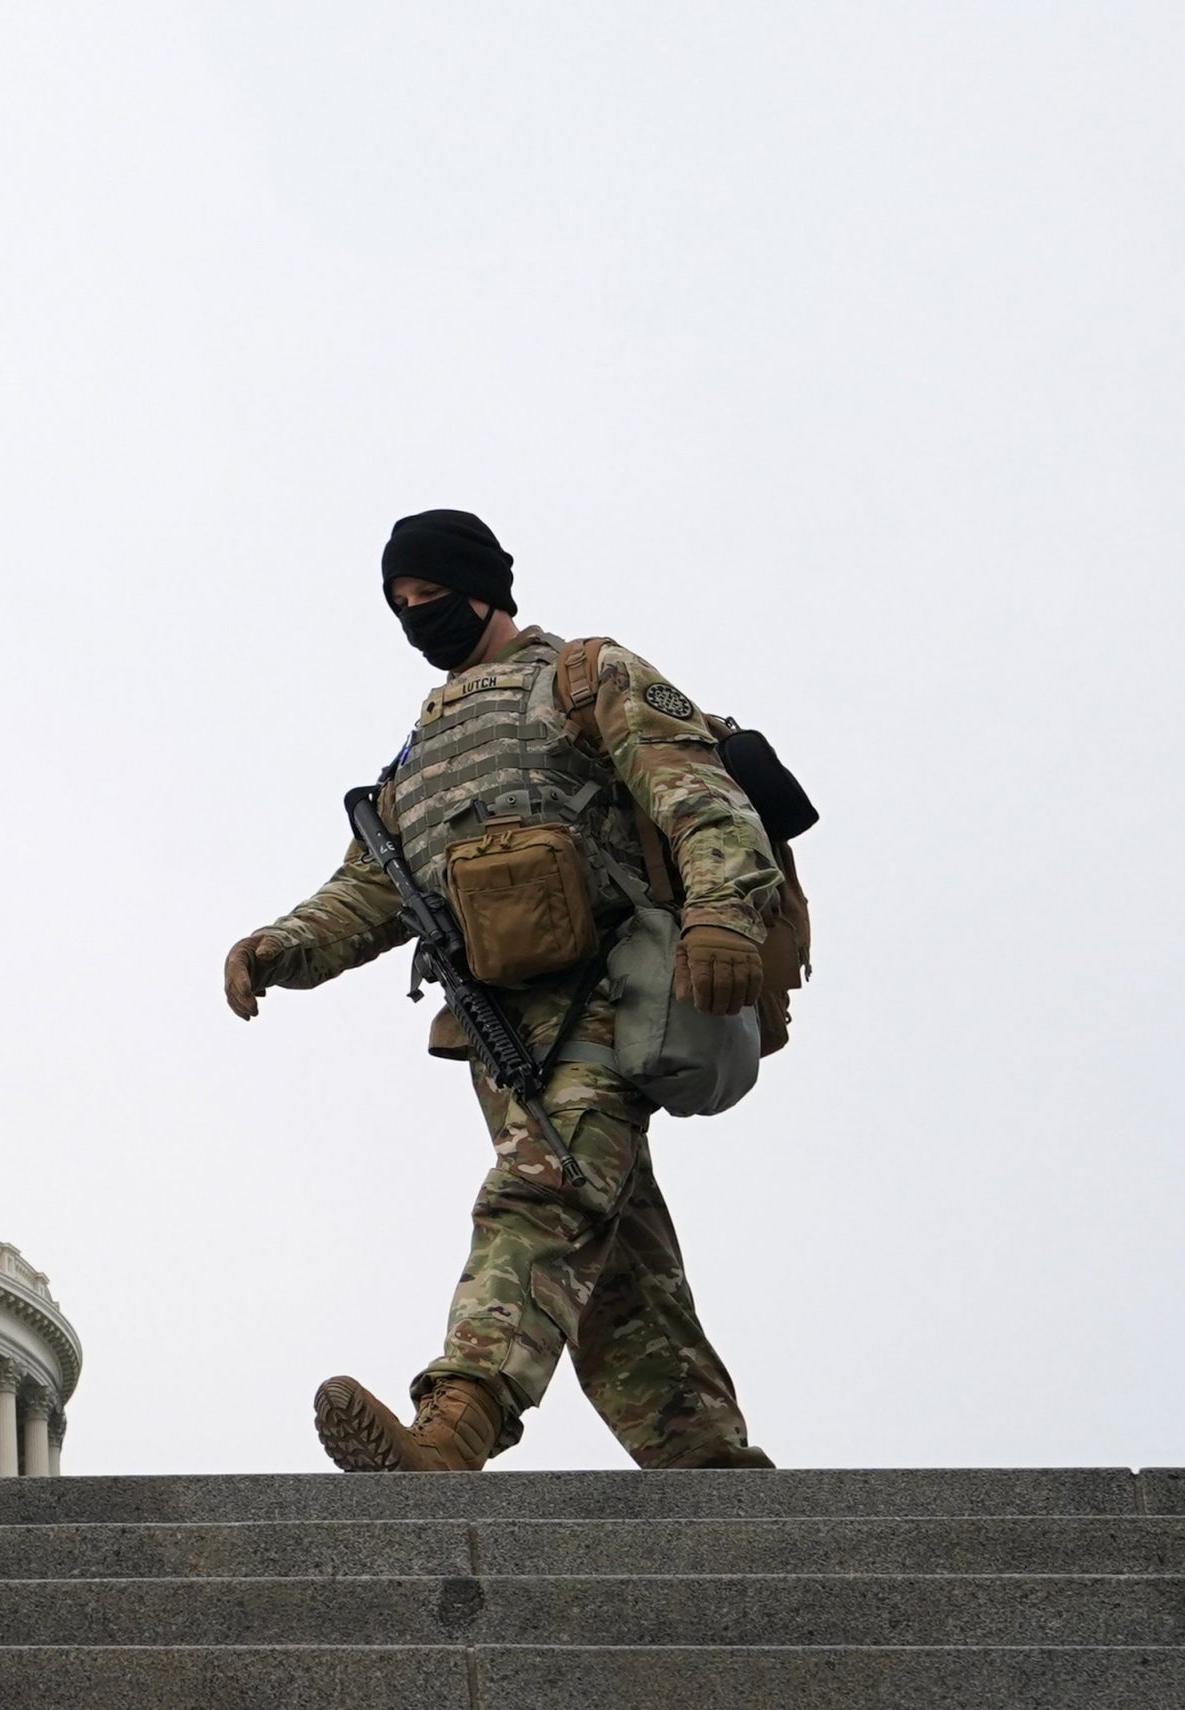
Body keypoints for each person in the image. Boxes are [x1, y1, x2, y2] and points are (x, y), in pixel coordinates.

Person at [223, 509, 779, 1472]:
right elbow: (375, 885)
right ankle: (712, 1473)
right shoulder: (419, 755)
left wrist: (724, 912)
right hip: (503, 1029)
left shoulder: (584, 677)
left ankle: (456, 1422)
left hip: (610, 995)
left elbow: (700, 796)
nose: (417, 616)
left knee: (539, 1196)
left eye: (432, 595)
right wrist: (284, 945)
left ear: (484, 589)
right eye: (400, 604)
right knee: (617, 1270)